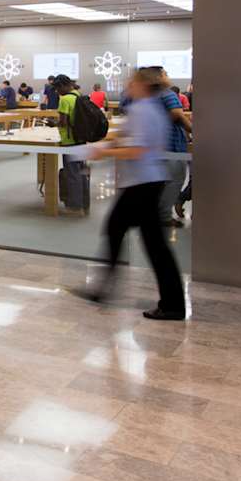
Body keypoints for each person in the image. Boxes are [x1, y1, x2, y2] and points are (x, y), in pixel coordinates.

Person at [84, 67, 186, 320]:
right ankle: (102, 290)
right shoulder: (149, 109)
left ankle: (172, 305)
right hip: (146, 182)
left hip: (142, 184)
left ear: (141, 84)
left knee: (145, 242)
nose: (128, 84)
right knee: (120, 232)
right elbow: (126, 139)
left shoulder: (143, 110)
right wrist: (109, 144)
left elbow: (137, 150)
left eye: (132, 80)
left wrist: (102, 152)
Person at [154, 68, 192, 225]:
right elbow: (178, 114)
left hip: (159, 144)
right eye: (165, 74)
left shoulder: (151, 96)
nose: (168, 76)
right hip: (173, 144)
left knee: (162, 181)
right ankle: (164, 216)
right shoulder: (167, 94)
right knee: (175, 179)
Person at [54, 74, 88, 212]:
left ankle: (74, 206)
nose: (57, 91)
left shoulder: (65, 99)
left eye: (57, 88)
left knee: (72, 172)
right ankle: (84, 202)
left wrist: (52, 123)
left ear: (62, 86)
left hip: (69, 141)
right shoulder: (78, 96)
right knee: (81, 171)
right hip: (81, 139)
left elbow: (63, 122)